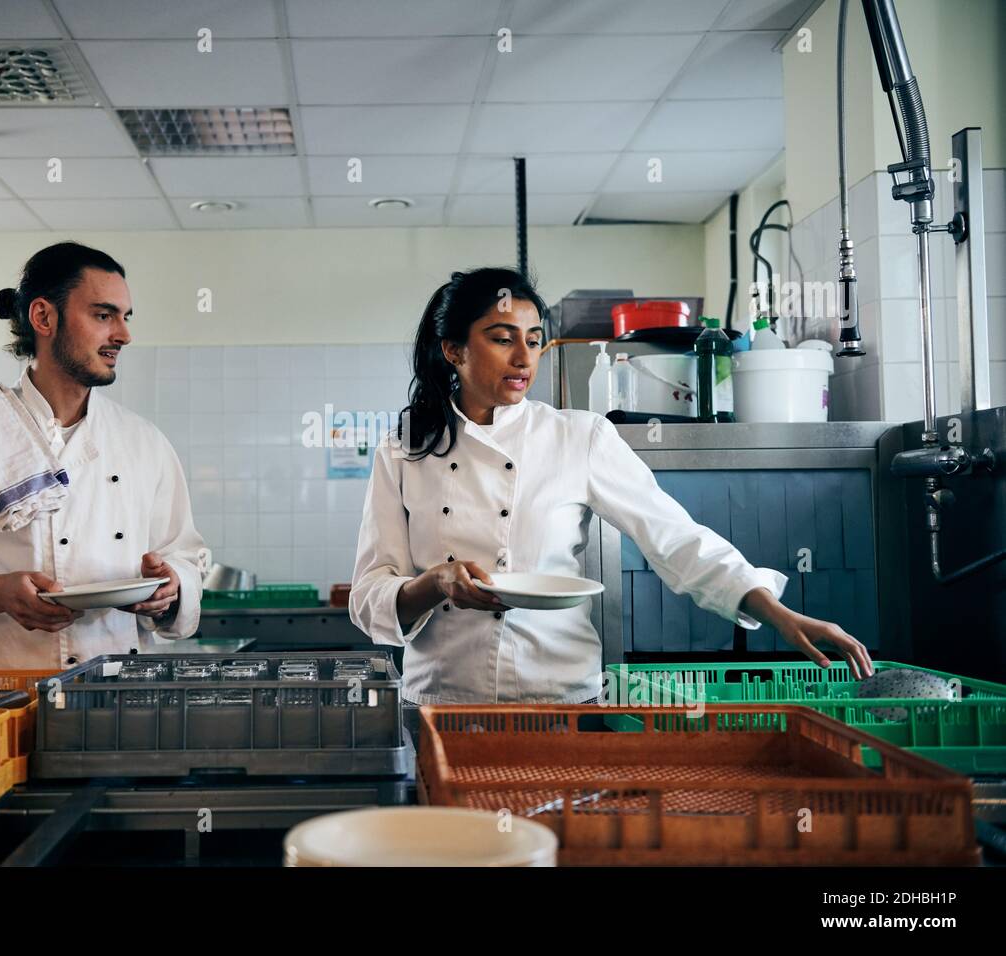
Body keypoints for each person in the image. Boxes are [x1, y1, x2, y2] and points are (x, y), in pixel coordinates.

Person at [348, 267, 873, 704]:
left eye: (534, 341)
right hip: (444, 702)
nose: (525, 359)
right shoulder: (404, 449)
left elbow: (676, 540)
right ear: (453, 350)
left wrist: (776, 612)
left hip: (559, 698)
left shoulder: (579, 437)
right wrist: (435, 583)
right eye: (502, 339)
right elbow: (369, 595)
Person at [0, 242, 204, 669]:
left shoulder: (144, 441)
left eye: (125, 317)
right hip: (5, 700)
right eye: (104, 316)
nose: (123, 335)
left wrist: (172, 586)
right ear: (44, 317)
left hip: (120, 693)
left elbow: (187, 555)